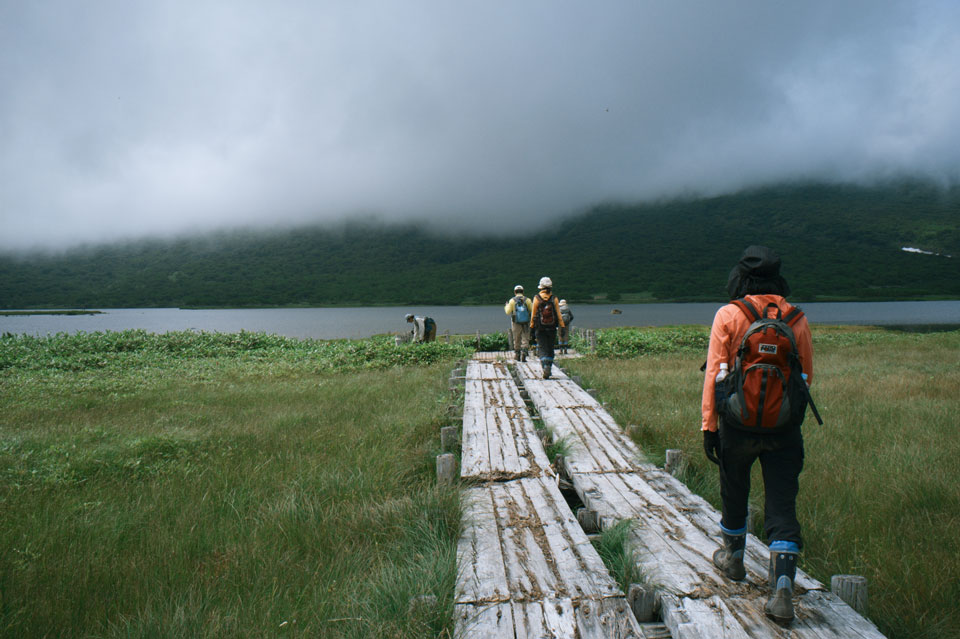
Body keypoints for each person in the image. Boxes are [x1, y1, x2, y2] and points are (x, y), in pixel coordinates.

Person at [701, 246, 814, 624]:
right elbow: (805, 379)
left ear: (741, 278)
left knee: (735, 487)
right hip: (784, 429)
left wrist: (709, 426)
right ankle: (781, 586)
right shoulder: (796, 318)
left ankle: (733, 559)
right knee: (782, 503)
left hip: (737, 423)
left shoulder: (730, 315)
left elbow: (713, 375)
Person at [529, 277, 565, 379]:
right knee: (550, 347)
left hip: (540, 328)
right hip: (552, 327)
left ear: (541, 287)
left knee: (542, 347)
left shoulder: (536, 298)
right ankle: (549, 365)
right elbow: (558, 314)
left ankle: (545, 366)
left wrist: (531, 328)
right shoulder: (554, 298)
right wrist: (562, 326)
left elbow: (533, 315)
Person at [504, 284, 533, 361]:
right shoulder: (528, 300)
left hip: (516, 322)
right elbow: (532, 310)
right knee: (525, 338)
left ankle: (517, 355)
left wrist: (506, 305)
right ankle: (524, 353)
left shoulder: (512, 300)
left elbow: (507, 312)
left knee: (516, 338)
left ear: (515, 292)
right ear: (523, 291)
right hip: (526, 322)